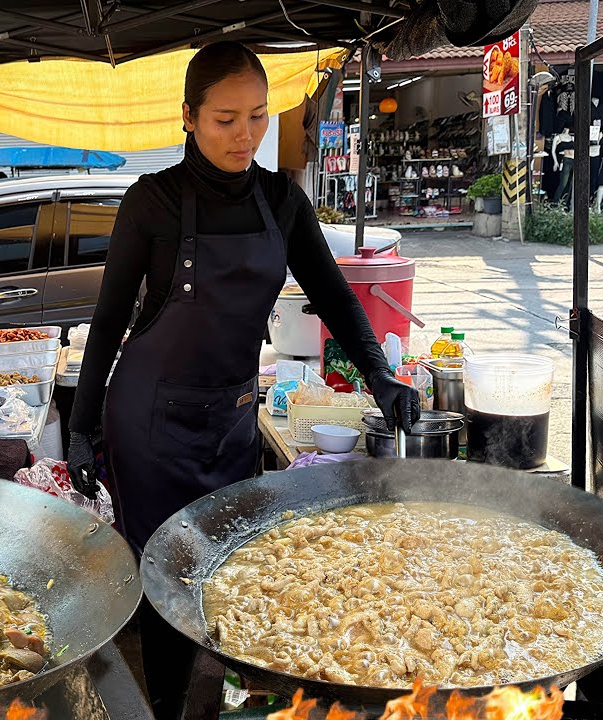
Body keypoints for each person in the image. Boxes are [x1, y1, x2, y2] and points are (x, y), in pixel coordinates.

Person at [65, 41, 420, 716]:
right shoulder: (152, 203)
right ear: (189, 118)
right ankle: (170, 705)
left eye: (257, 116)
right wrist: (81, 429)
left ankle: (233, 694)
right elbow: (109, 322)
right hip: (149, 428)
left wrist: (382, 374)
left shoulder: (283, 201)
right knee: (165, 578)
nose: (245, 135)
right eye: (225, 119)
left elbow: (337, 298)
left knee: (234, 566)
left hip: (230, 419)